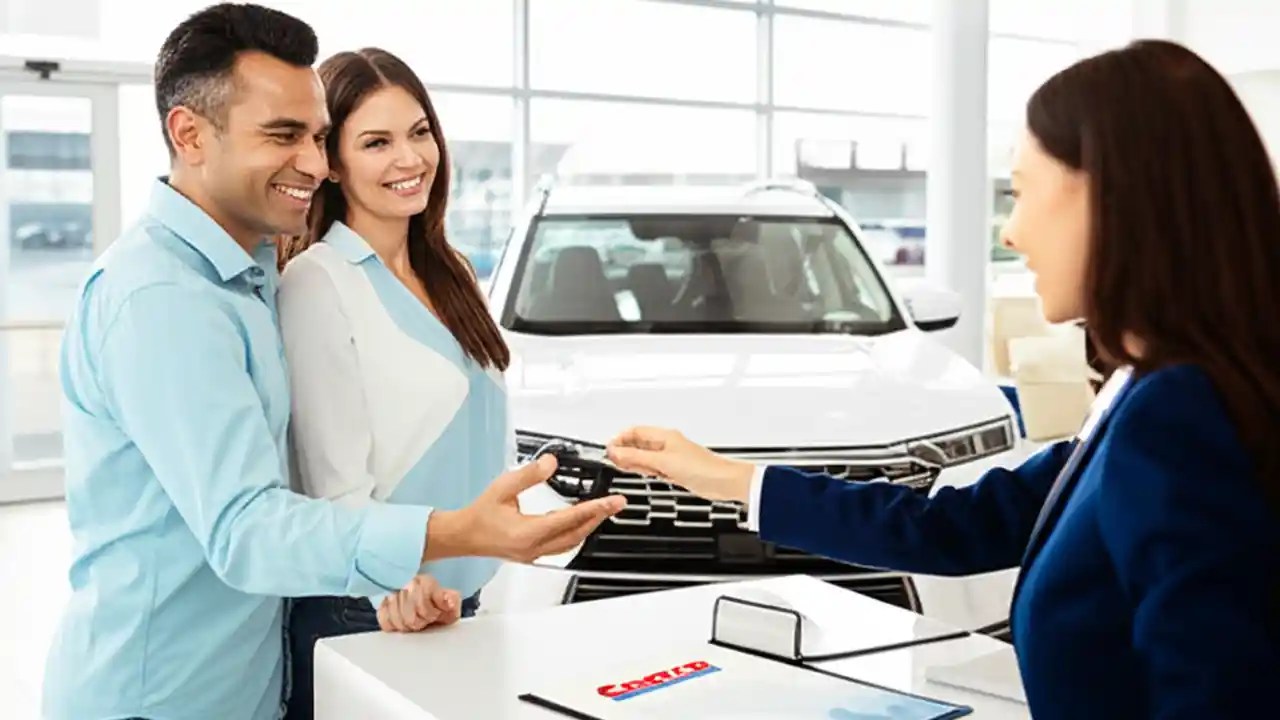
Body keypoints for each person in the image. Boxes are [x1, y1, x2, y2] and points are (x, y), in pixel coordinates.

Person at [606, 39, 1280, 720]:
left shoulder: (1179, 417)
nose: (1010, 232)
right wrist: (721, 475)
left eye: (1020, 193)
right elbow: (952, 527)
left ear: (1112, 196)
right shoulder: (1151, 393)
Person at [42, 5, 623, 720]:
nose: (315, 164)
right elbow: (248, 529)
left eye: (317, 137)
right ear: (188, 134)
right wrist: (441, 541)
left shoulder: (247, 276)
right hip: (163, 694)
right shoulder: (166, 299)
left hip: (251, 673)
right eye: (285, 136)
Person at [273, 47, 514, 718]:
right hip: (371, 611)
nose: (410, 160)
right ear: (332, 162)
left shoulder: (452, 273)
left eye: (419, 132)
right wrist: (394, 587)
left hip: (460, 608)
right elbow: (333, 485)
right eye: (376, 142)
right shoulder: (319, 282)